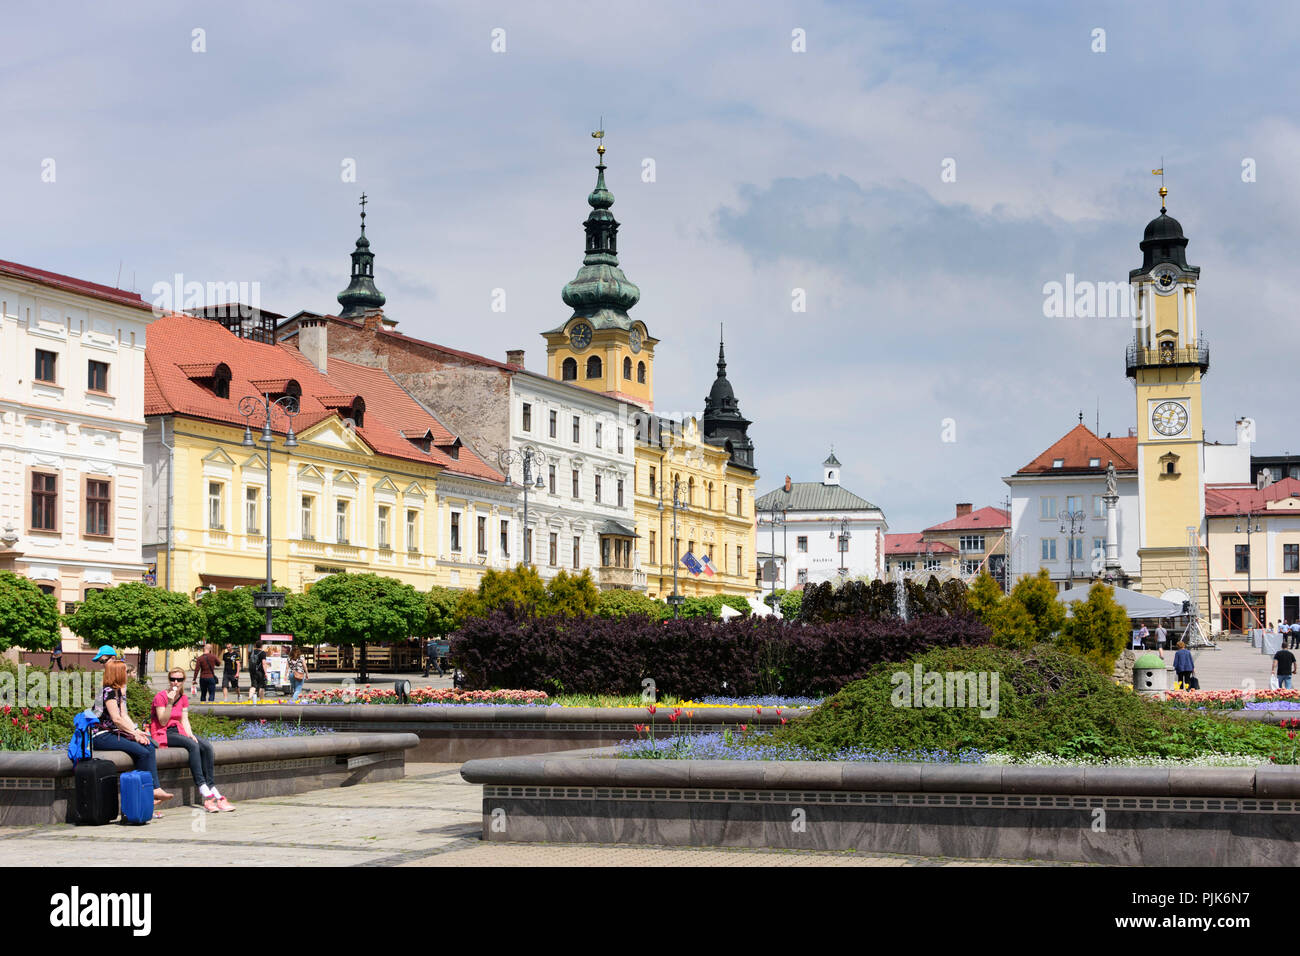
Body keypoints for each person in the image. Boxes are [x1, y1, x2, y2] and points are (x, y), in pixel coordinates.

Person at [92, 660, 173, 812]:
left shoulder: (118, 691)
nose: (127, 675)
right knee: (142, 751)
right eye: (124, 672)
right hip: (101, 735)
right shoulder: (108, 691)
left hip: (113, 732)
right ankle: (150, 792)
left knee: (148, 745)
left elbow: (124, 715)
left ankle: (154, 789)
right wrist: (133, 735)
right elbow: (116, 719)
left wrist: (137, 731)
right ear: (116, 673)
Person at [151, 669, 235, 813]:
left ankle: (211, 786)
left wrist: (190, 734)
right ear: (169, 679)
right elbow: (163, 721)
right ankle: (202, 787)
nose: (175, 682)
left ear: (183, 681)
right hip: (163, 732)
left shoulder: (183, 698)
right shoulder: (161, 697)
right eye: (172, 679)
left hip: (178, 730)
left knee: (206, 746)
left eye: (179, 679)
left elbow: (184, 720)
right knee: (193, 746)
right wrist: (170, 703)